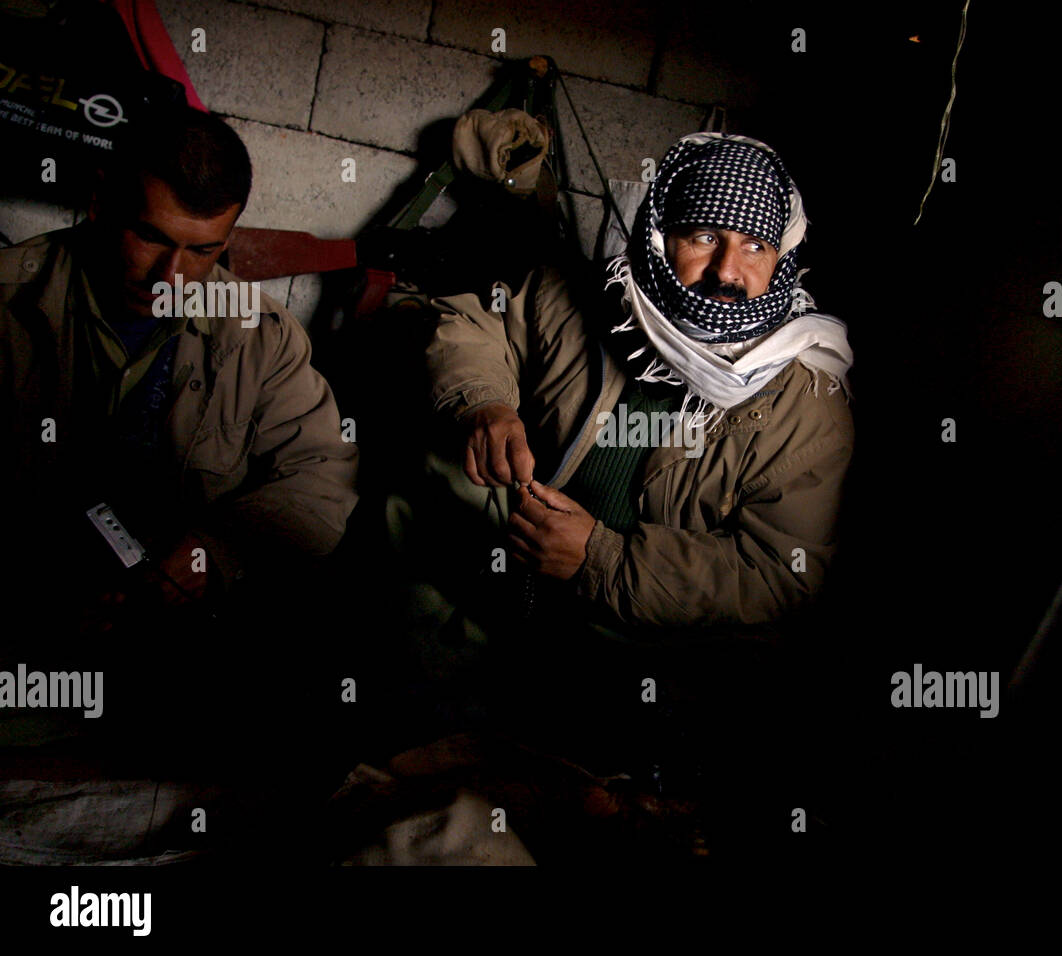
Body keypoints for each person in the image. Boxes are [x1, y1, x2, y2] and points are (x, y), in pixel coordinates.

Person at [0, 108, 359, 846]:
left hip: (161, 643)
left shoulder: (261, 339)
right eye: (152, 237)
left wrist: (211, 554)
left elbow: (322, 474)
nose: (174, 275)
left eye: (205, 251)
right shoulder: (7, 300)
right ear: (100, 202)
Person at [427, 132, 855, 631]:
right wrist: (483, 403)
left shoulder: (807, 407)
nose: (727, 271)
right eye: (705, 237)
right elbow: (474, 320)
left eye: (755, 247)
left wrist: (600, 561)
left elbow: (781, 575)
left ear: (779, 261)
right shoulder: (587, 298)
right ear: (660, 236)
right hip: (501, 598)